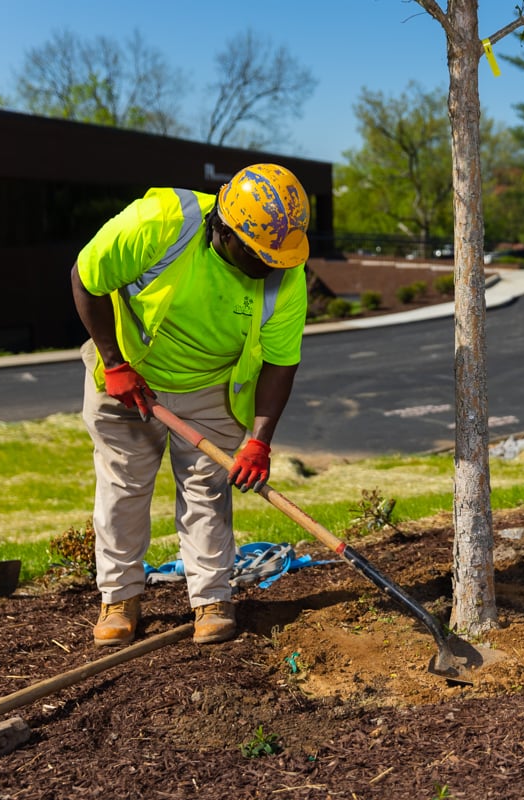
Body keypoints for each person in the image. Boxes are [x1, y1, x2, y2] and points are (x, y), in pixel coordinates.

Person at [71, 163, 311, 646]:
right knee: (123, 486)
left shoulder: (286, 275)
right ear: (225, 230)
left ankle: (212, 599)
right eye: (261, 256)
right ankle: (119, 598)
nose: (274, 267)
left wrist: (259, 442)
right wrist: (114, 364)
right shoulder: (161, 223)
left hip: (212, 387)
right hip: (129, 375)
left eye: (280, 258)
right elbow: (86, 277)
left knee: (208, 491)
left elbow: (281, 363)